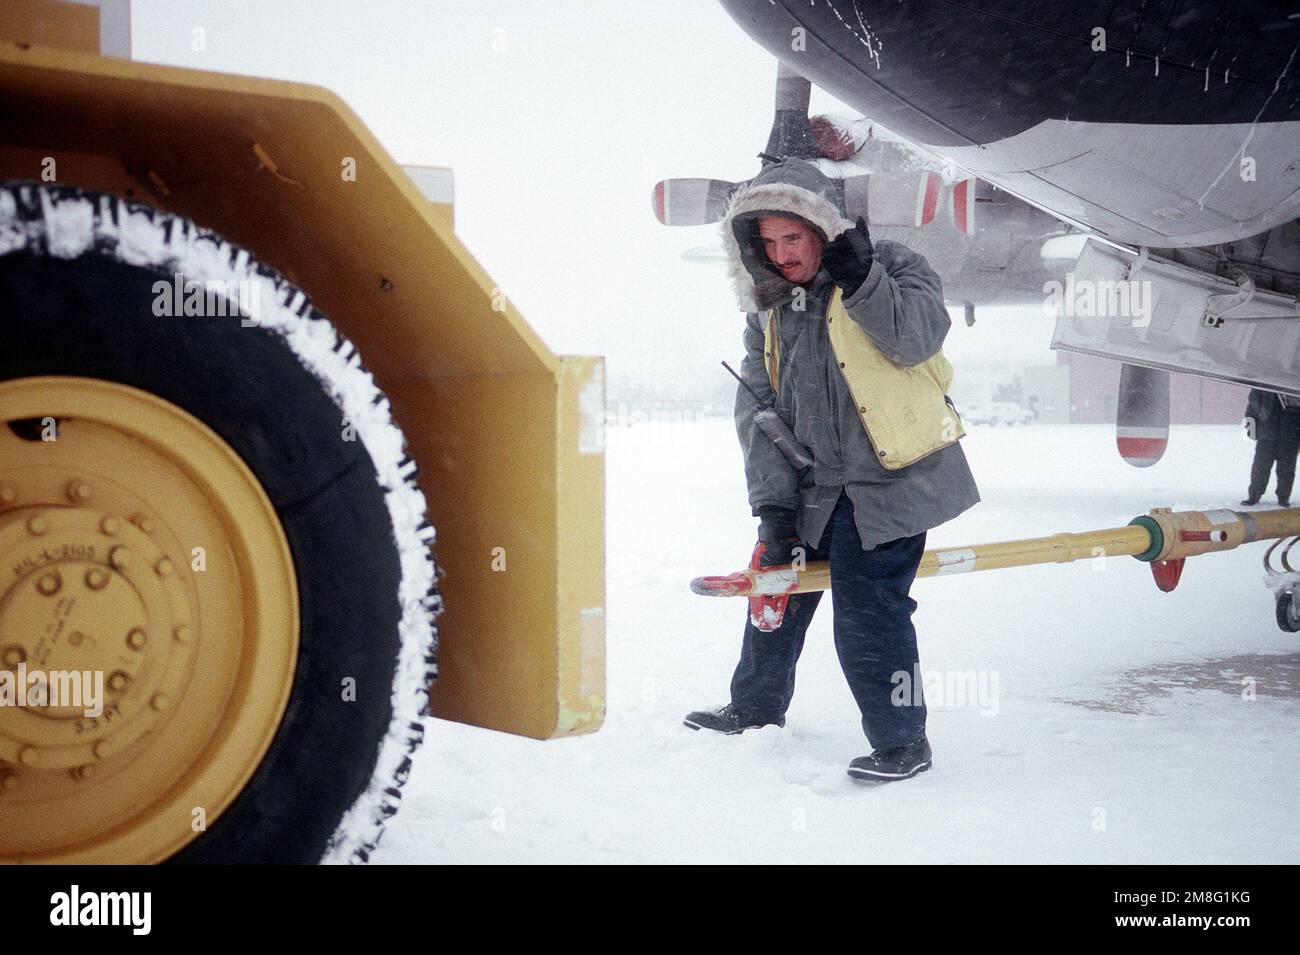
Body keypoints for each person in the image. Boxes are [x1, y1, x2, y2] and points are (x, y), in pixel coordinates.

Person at [683, 158, 980, 782]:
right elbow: (759, 409)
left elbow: (916, 338)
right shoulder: (769, 308)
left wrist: (861, 277)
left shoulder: (893, 267)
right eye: (766, 241)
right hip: (814, 484)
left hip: (893, 482)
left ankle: (903, 743)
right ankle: (755, 709)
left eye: (793, 237)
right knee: (774, 591)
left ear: (823, 228)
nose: (781, 253)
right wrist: (774, 508)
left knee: (869, 611)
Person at [1243, 388, 1300, 507]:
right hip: (1273, 436)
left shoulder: (1267, 385)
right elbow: (1252, 409)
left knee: (1285, 469)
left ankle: (1282, 497)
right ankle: (1255, 495)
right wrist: (1251, 431)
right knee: (1261, 467)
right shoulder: (1263, 387)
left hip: (1288, 436)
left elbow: (1251, 409)